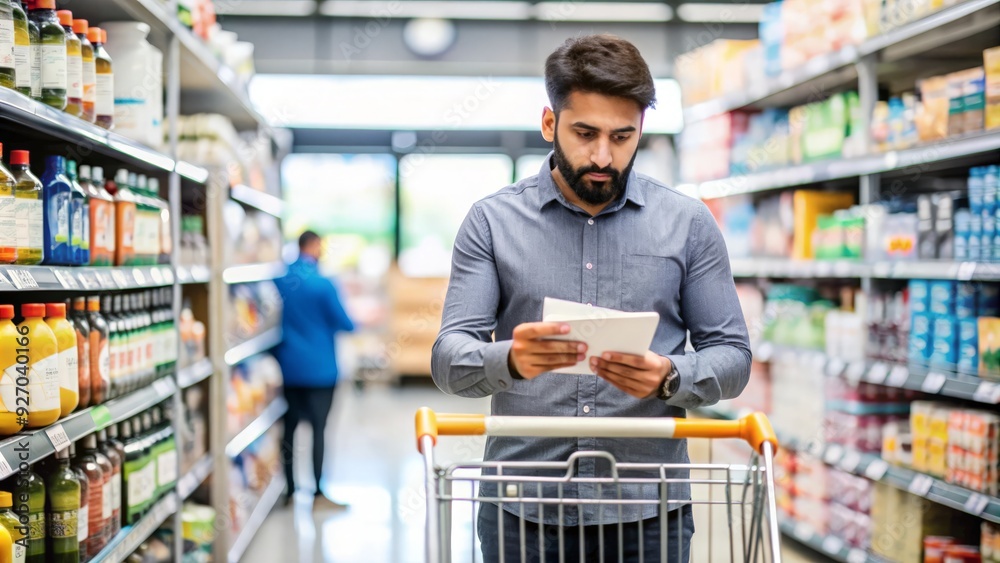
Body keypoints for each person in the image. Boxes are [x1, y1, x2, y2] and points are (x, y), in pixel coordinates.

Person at [431, 34, 751, 562]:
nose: (604, 156)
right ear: (549, 124)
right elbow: (448, 358)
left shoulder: (688, 224)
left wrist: (671, 376)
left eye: (623, 137)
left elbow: (733, 356)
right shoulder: (491, 222)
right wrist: (509, 358)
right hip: (522, 509)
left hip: (648, 511)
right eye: (585, 133)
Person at [274, 230, 355, 511]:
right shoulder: (324, 284)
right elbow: (346, 323)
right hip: (320, 371)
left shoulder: (279, 279)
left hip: (288, 368)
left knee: (289, 430)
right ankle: (318, 493)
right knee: (319, 430)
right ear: (315, 246)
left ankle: (289, 491)